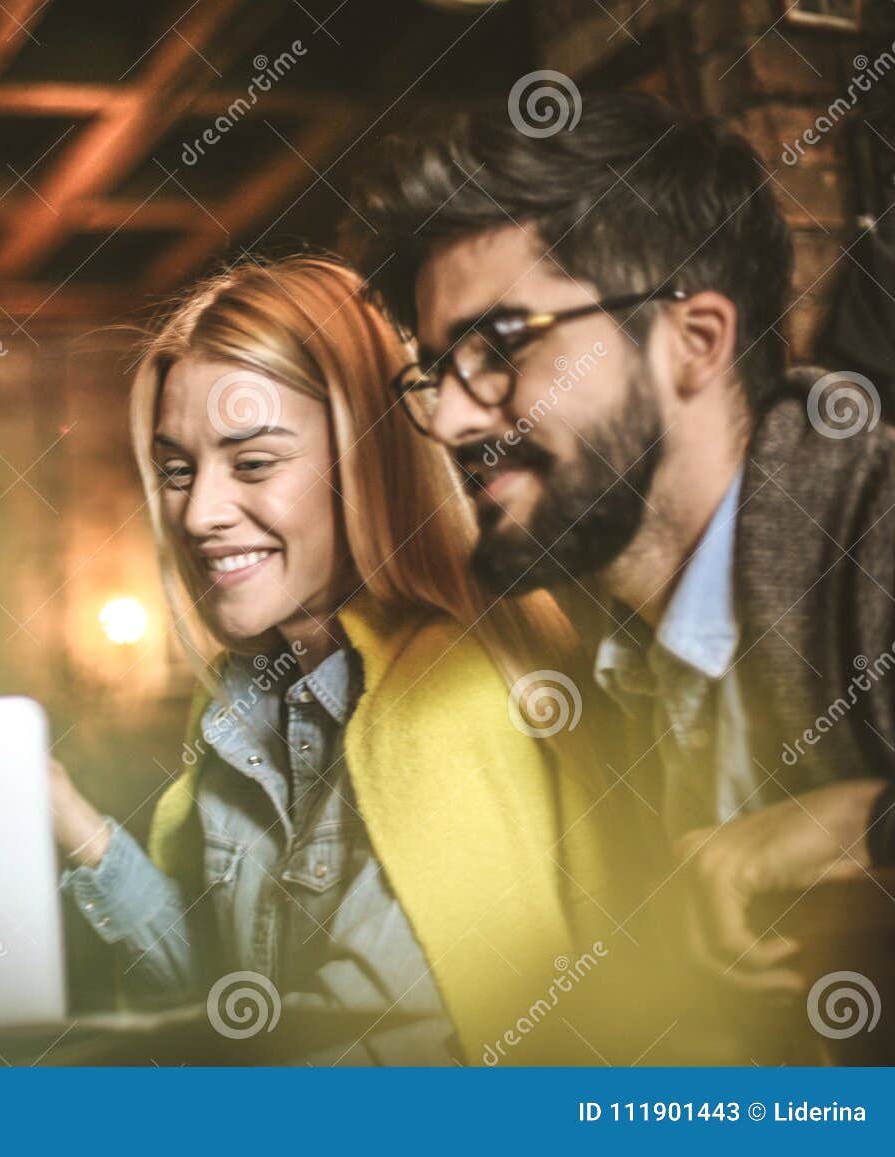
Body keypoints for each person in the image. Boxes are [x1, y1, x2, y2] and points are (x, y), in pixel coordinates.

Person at [350, 91, 895, 1060]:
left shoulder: (872, 518)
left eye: (502, 346)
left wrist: (875, 819)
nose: (451, 422)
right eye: (437, 368)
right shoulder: (606, 641)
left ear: (695, 341)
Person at [43, 254, 598, 1064]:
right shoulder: (249, 696)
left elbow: (359, 1069)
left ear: (369, 458)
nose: (199, 513)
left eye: (255, 462)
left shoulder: (452, 697)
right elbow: (217, 1007)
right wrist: (60, 812)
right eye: (177, 469)